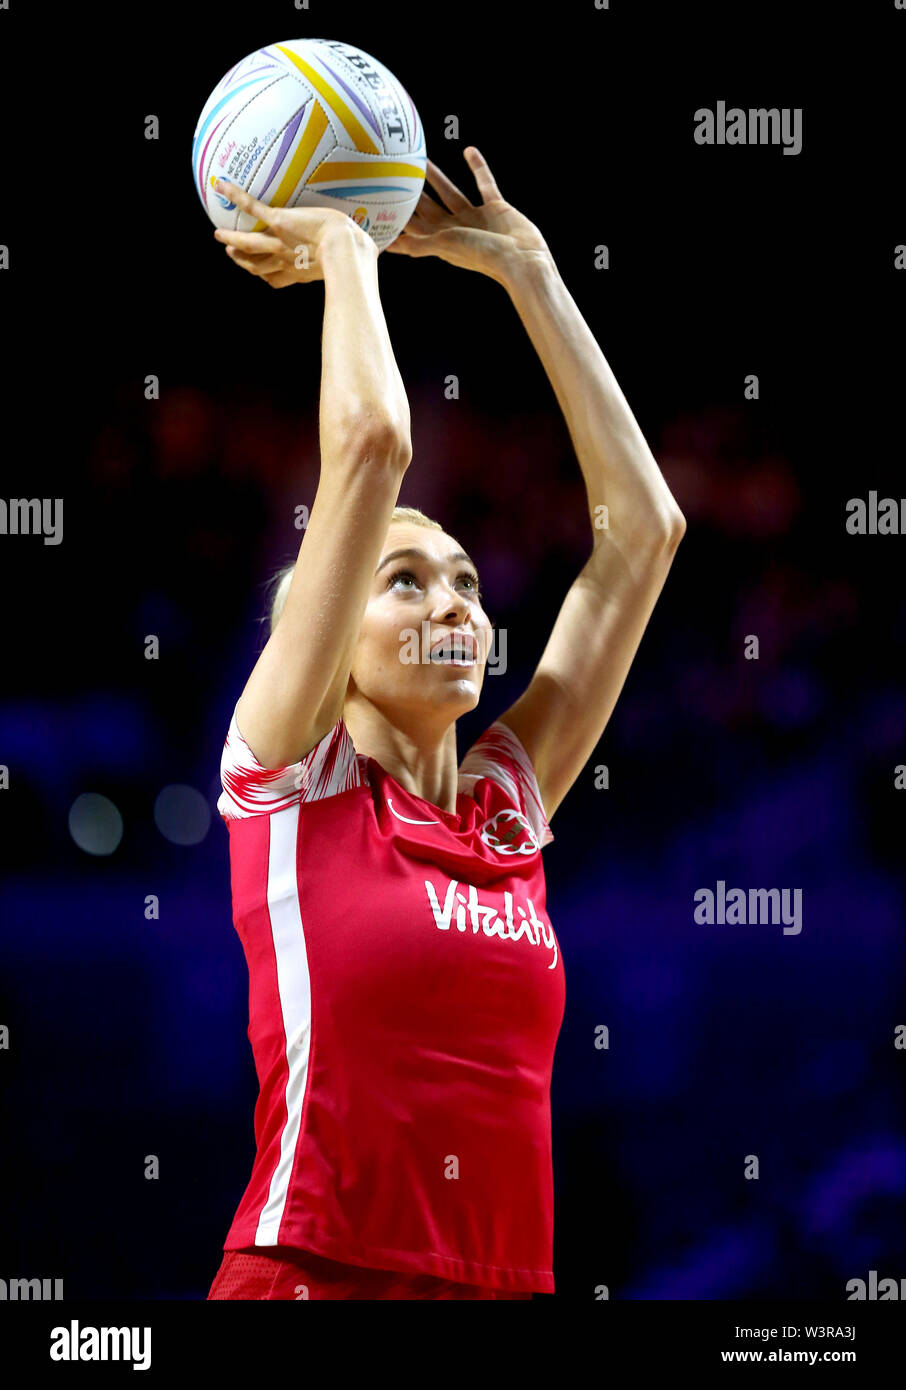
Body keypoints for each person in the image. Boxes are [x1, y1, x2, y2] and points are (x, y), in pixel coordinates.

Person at [205, 148, 686, 1300]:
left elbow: (644, 535)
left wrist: (531, 275)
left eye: (467, 581)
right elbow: (372, 443)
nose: (455, 604)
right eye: (405, 580)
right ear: (329, 636)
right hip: (312, 1274)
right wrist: (341, 248)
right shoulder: (290, 781)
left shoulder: (507, 811)